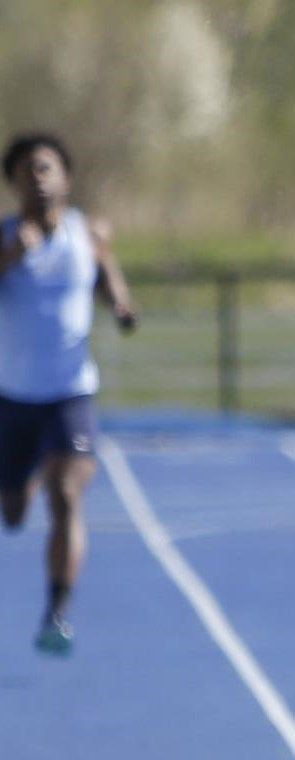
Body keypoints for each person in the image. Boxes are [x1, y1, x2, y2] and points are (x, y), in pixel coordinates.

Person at [0, 132, 138, 656]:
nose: (37, 177)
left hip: (70, 395)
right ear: (12, 182)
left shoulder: (88, 232)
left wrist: (121, 304)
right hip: (12, 399)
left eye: (46, 167)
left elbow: (106, 273)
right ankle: (29, 473)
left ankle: (57, 611)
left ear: (66, 178)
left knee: (68, 496)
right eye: (26, 170)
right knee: (12, 513)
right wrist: (13, 255)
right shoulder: (5, 236)